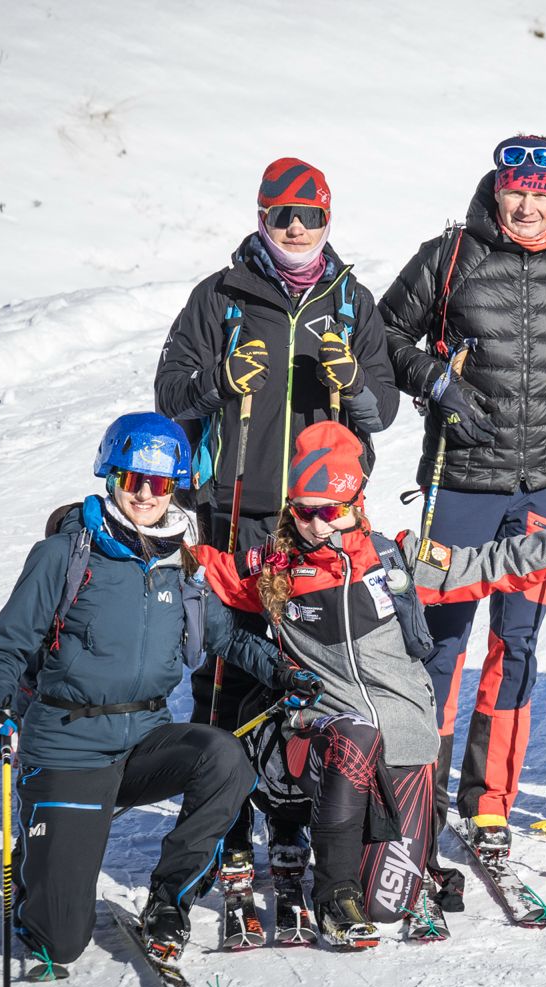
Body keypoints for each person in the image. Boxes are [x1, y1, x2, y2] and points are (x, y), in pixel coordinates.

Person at [192, 422, 546, 946]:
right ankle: (331, 897)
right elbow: (196, 571)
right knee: (354, 735)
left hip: (406, 748)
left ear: (356, 505)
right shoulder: (274, 569)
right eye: (306, 511)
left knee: (386, 907)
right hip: (323, 737)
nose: (320, 526)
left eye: (333, 511)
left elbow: (495, 563)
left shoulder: (395, 561)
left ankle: (368, 872)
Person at [153, 156, 399, 898]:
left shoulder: (349, 301)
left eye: (309, 214)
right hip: (232, 510)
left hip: (316, 521)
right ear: (260, 216)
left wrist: (351, 380)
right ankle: (224, 831)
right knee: (224, 674)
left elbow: (382, 410)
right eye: (280, 213)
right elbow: (170, 394)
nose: (294, 227)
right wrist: (216, 381)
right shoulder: (220, 296)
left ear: (329, 218)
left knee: (306, 677)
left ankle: (290, 826)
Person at [0, 413, 295, 970]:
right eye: (133, 478)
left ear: (176, 486)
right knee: (59, 943)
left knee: (224, 758)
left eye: (161, 482)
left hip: (141, 740)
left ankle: (170, 902)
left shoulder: (182, 563)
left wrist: (286, 673)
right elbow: (1, 649)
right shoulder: (65, 556)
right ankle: (38, 865)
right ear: (110, 475)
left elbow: (227, 638)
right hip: (68, 748)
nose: (145, 493)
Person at [378, 134, 546, 891]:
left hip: (544, 480)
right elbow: (382, 334)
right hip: (464, 481)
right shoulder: (450, 256)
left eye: (543, 189)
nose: (529, 202)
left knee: (519, 642)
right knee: (441, 642)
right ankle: (423, 792)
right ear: (497, 187)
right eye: (518, 188)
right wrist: (436, 381)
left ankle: (490, 802)